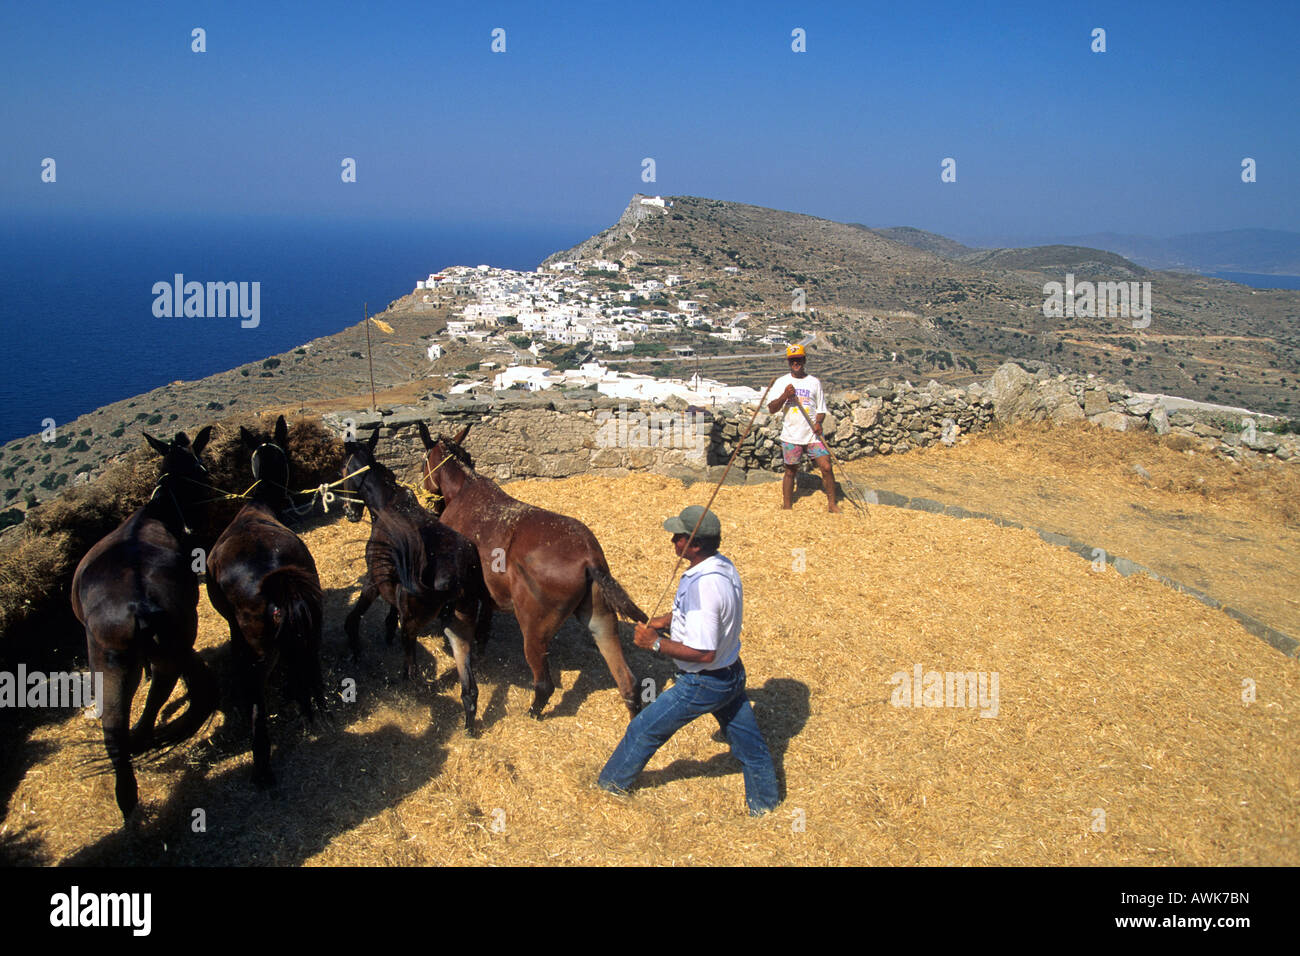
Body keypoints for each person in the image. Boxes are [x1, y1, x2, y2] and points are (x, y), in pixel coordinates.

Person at [597, 506, 780, 816]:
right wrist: (664, 620)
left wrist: (654, 644)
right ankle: (766, 804)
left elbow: (704, 651)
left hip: (703, 681)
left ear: (695, 544)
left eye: (679, 537)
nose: (673, 541)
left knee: (643, 729)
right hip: (730, 674)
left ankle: (608, 787)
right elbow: (698, 617)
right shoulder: (721, 566)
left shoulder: (705, 587)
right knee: (750, 747)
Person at [768, 343, 840, 512]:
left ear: (804, 360)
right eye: (793, 360)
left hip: (812, 435)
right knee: (791, 471)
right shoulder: (782, 382)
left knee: (826, 467)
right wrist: (785, 395)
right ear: (788, 362)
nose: (796, 363)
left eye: (799, 359)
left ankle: (832, 504)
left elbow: (821, 409)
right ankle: (787, 506)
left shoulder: (814, 382)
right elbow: (772, 408)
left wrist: (818, 423)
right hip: (792, 435)